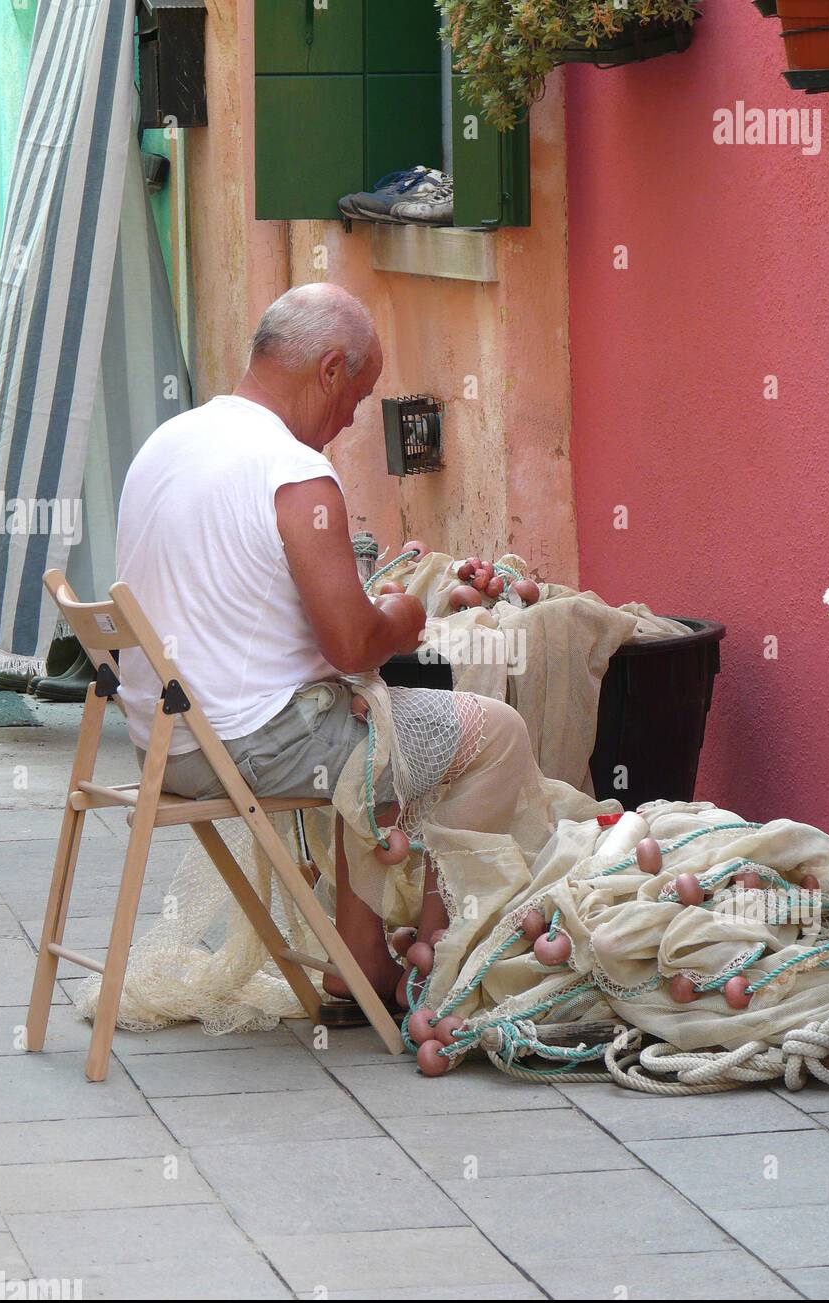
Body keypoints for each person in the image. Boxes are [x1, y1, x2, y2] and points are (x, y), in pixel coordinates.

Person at [116, 283, 533, 1015]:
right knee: (493, 733)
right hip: (248, 744)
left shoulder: (171, 440)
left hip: (163, 739)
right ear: (331, 368)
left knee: (366, 719)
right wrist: (404, 615)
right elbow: (349, 644)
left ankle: (360, 958)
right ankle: (441, 972)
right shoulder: (294, 472)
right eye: (357, 396)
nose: (347, 422)